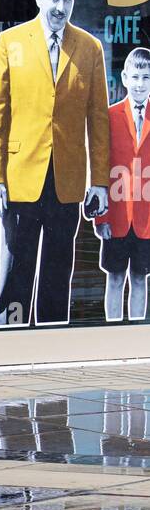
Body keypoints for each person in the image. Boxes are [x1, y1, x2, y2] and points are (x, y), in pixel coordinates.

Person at [0, 0, 109, 328]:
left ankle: (51, 341)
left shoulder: (90, 48)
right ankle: (11, 340)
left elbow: (99, 120)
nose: (60, 6)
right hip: (20, 180)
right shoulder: (11, 43)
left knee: (58, 270)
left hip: (67, 183)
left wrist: (98, 181)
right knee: (16, 268)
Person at [94, 47, 150, 322]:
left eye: (147, 78)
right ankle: (112, 330)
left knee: (140, 279)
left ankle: (138, 332)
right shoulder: (110, 116)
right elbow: (99, 172)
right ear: (125, 78)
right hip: (115, 215)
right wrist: (100, 217)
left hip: (146, 217)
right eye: (136, 77)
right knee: (114, 278)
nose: (140, 84)